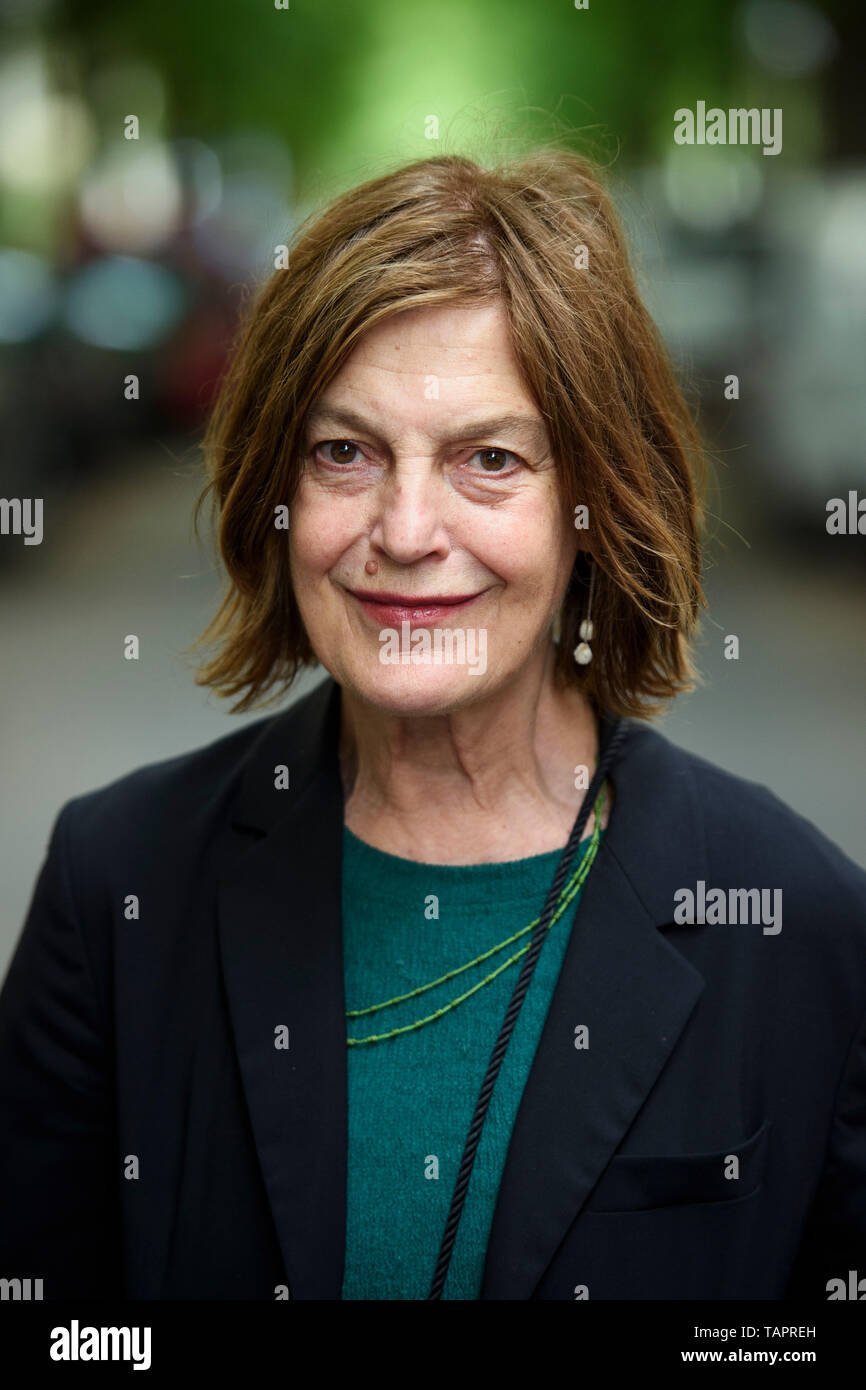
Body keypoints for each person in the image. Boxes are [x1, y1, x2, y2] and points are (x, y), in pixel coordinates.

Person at [1, 149, 864, 1302]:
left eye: (488, 459)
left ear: (593, 506)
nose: (406, 529)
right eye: (343, 452)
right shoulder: (113, 884)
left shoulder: (800, 924)